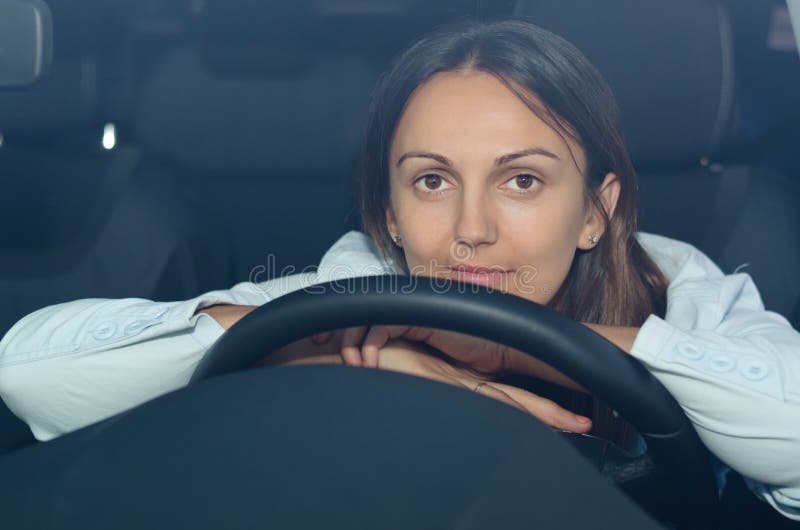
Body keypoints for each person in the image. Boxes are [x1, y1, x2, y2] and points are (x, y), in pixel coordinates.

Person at [1, 19, 798, 521]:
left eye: (523, 180)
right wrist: (327, 339)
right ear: (387, 212)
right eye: (431, 181)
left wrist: (513, 346)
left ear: (594, 211)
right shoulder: (356, 281)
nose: (472, 230)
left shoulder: (692, 293)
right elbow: (29, 370)